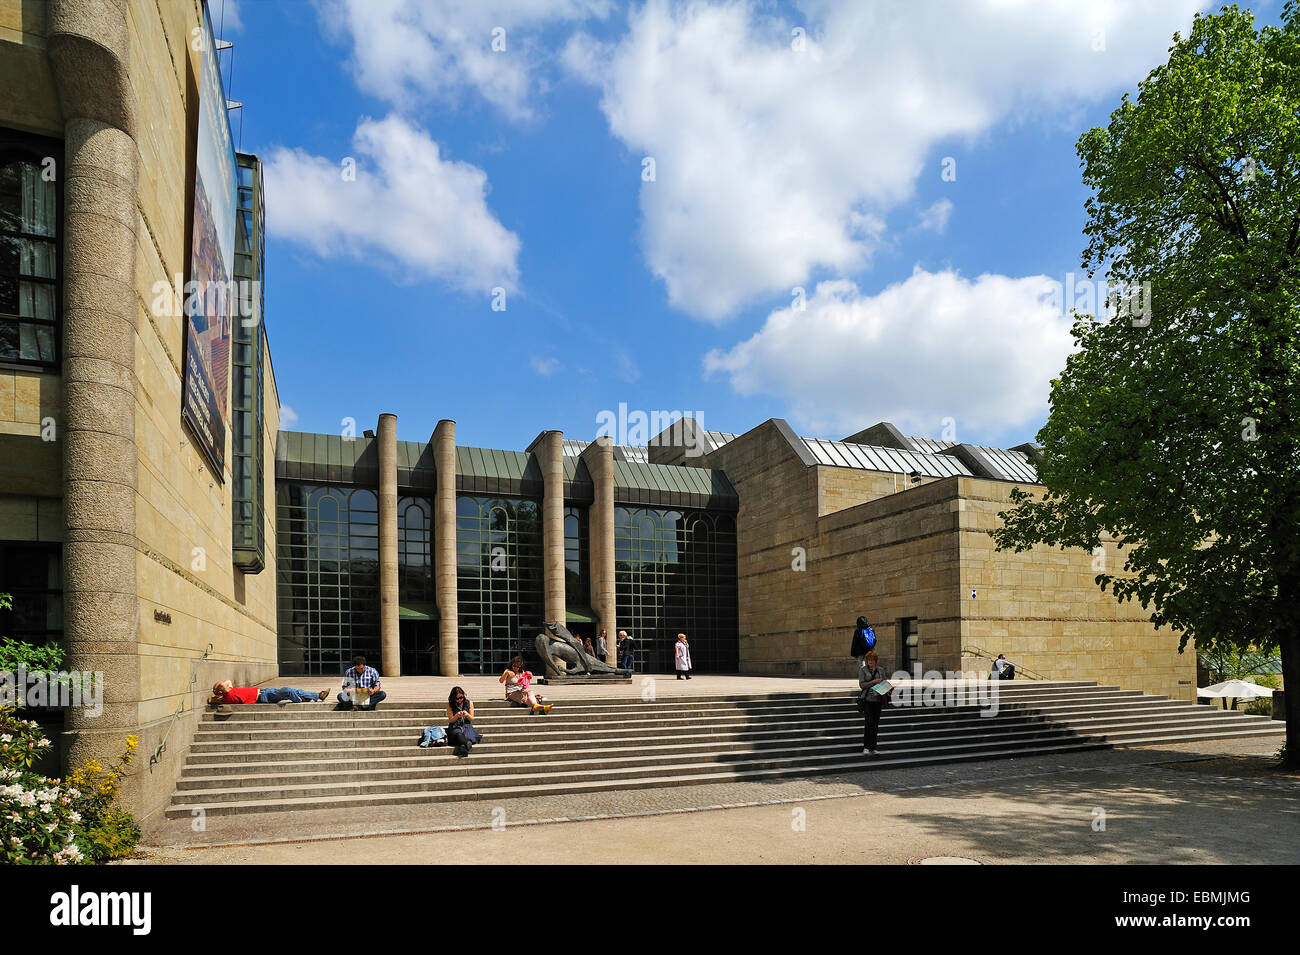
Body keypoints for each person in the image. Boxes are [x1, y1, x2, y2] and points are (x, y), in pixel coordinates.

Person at [858, 648, 891, 755]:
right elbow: (862, 685)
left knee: (875, 724)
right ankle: (866, 747)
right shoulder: (863, 670)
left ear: (876, 660)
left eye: (872, 660)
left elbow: (885, 683)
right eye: (868, 660)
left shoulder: (880, 670)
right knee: (869, 723)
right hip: (867, 700)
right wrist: (873, 681)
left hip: (878, 700)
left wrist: (886, 686)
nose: (870, 662)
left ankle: (873, 747)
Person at [209, 680, 328, 706]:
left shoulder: (230, 692)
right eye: (222, 688)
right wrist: (217, 690)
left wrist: (218, 691)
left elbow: (228, 682)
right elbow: (222, 684)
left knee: (296, 691)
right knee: (287, 690)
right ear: (221, 691)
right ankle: (300, 700)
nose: (227, 686)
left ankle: (318, 695)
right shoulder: (229, 696)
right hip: (263, 697)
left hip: (265, 692)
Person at [445, 686, 482, 757]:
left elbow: (471, 718)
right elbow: (451, 720)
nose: (460, 700)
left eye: (461, 697)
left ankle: (464, 746)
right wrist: (456, 716)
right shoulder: (450, 705)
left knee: (467, 736)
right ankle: (467, 744)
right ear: (453, 698)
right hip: (455, 726)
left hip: (466, 725)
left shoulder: (469, 703)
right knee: (458, 734)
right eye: (457, 698)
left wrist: (467, 715)